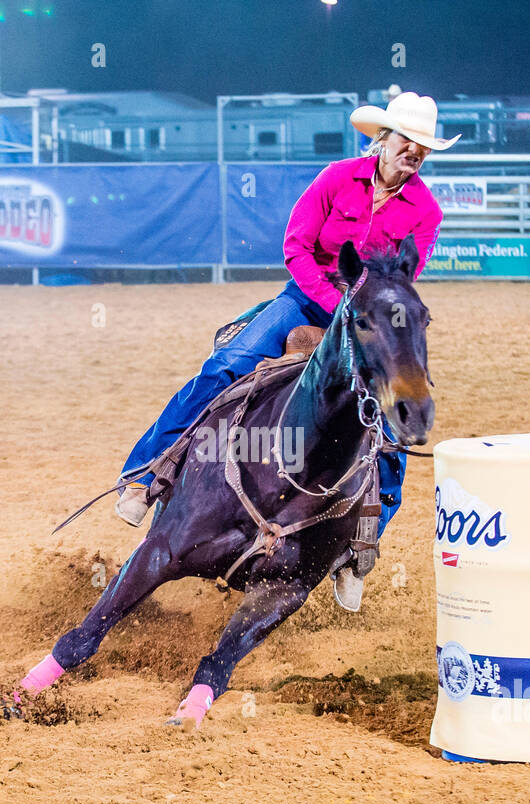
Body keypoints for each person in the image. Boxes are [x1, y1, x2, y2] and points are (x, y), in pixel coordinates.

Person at [114, 91, 459, 611]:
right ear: (383, 141)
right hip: (306, 299)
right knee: (225, 367)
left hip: (362, 318)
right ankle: (146, 473)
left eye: (423, 147)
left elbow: (401, 278)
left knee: (390, 424)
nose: (414, 152)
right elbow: (296, 247)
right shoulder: (336, 179)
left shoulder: (424, 211)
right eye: (407, 141)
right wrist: (331, 299)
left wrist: (363, 311)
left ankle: (358, 547)